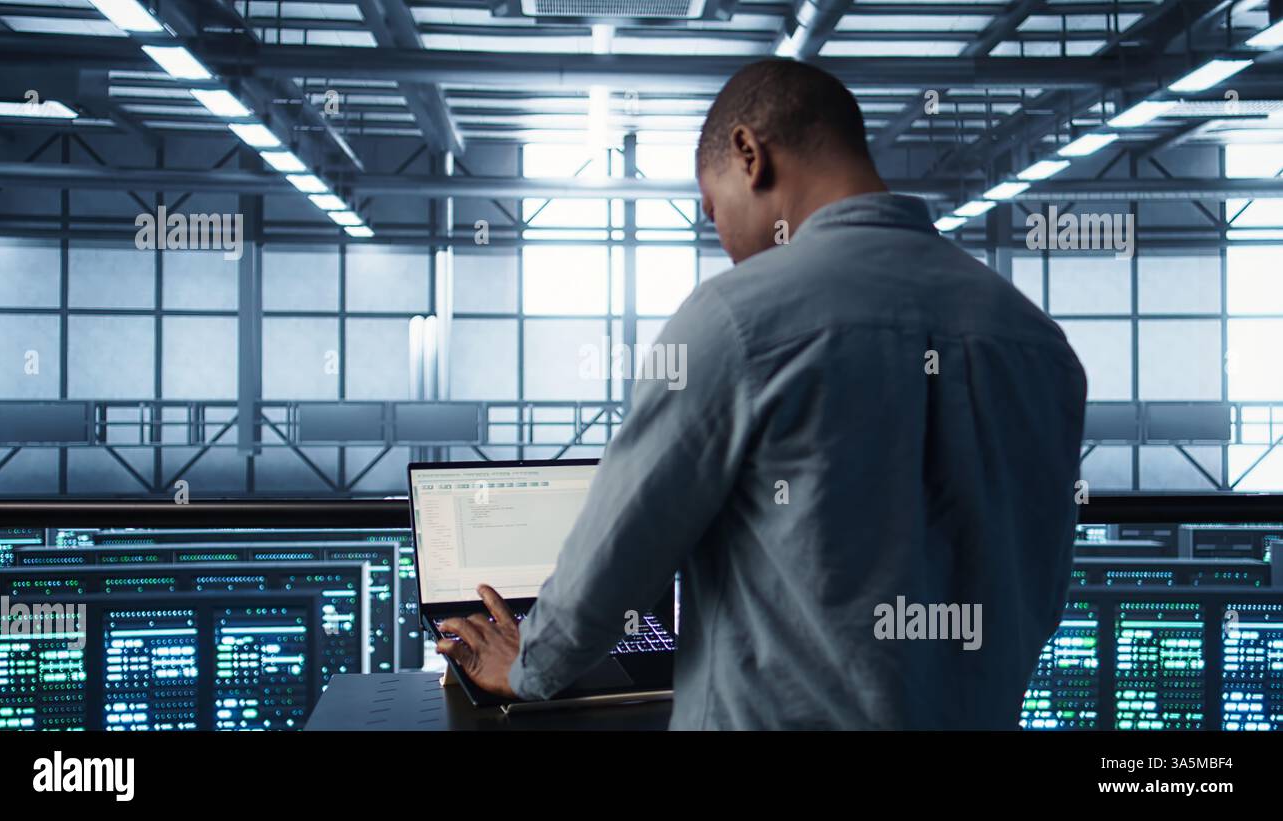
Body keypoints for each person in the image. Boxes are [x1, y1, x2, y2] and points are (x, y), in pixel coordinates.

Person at [435, 58, 1088, 729]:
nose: (721, 238)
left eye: (712, 209)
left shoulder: (735, 319)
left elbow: (619, 552)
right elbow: (1040, 583)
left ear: (750, 154)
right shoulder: (1038, 342)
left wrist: (528, 663)